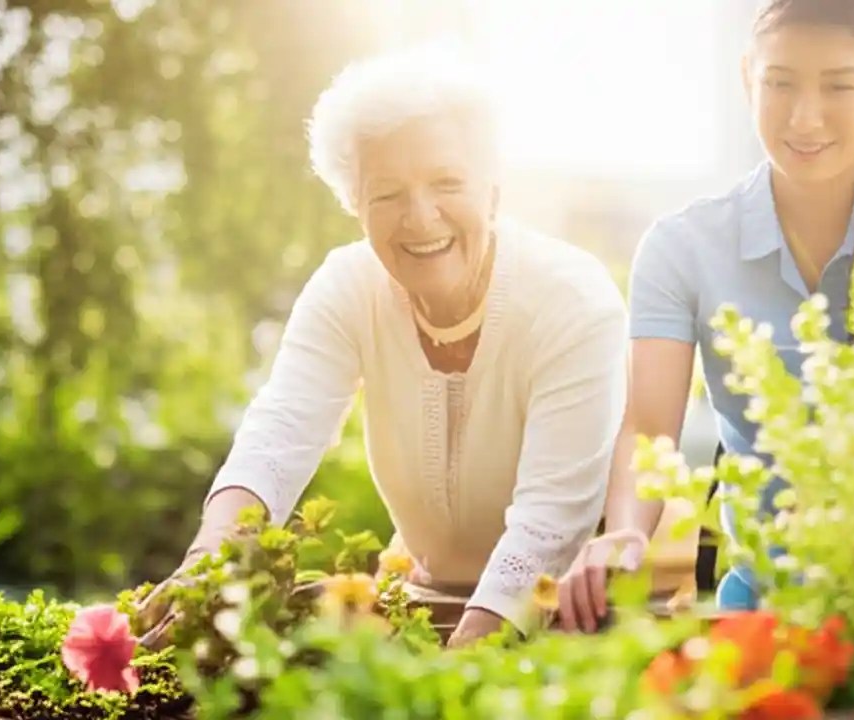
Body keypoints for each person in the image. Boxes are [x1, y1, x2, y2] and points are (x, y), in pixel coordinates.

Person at [135, 48, 628, 648]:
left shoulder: (570, 298)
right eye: (388, 193)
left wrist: (456, 676)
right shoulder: (347, 287)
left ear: (493, 192)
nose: (420, 218)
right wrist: (210, 561)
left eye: (448, 182)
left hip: (572, 625)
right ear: (355, 205)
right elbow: (278, 435)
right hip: (421, 606)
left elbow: (549, 522)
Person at [555, 0, 854, 631]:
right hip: (760, 613)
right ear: (748, 77)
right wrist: (626, 533)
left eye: (839, 86)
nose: (805, 117)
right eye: (780, 82)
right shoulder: (682, 247)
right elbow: (649, 431)